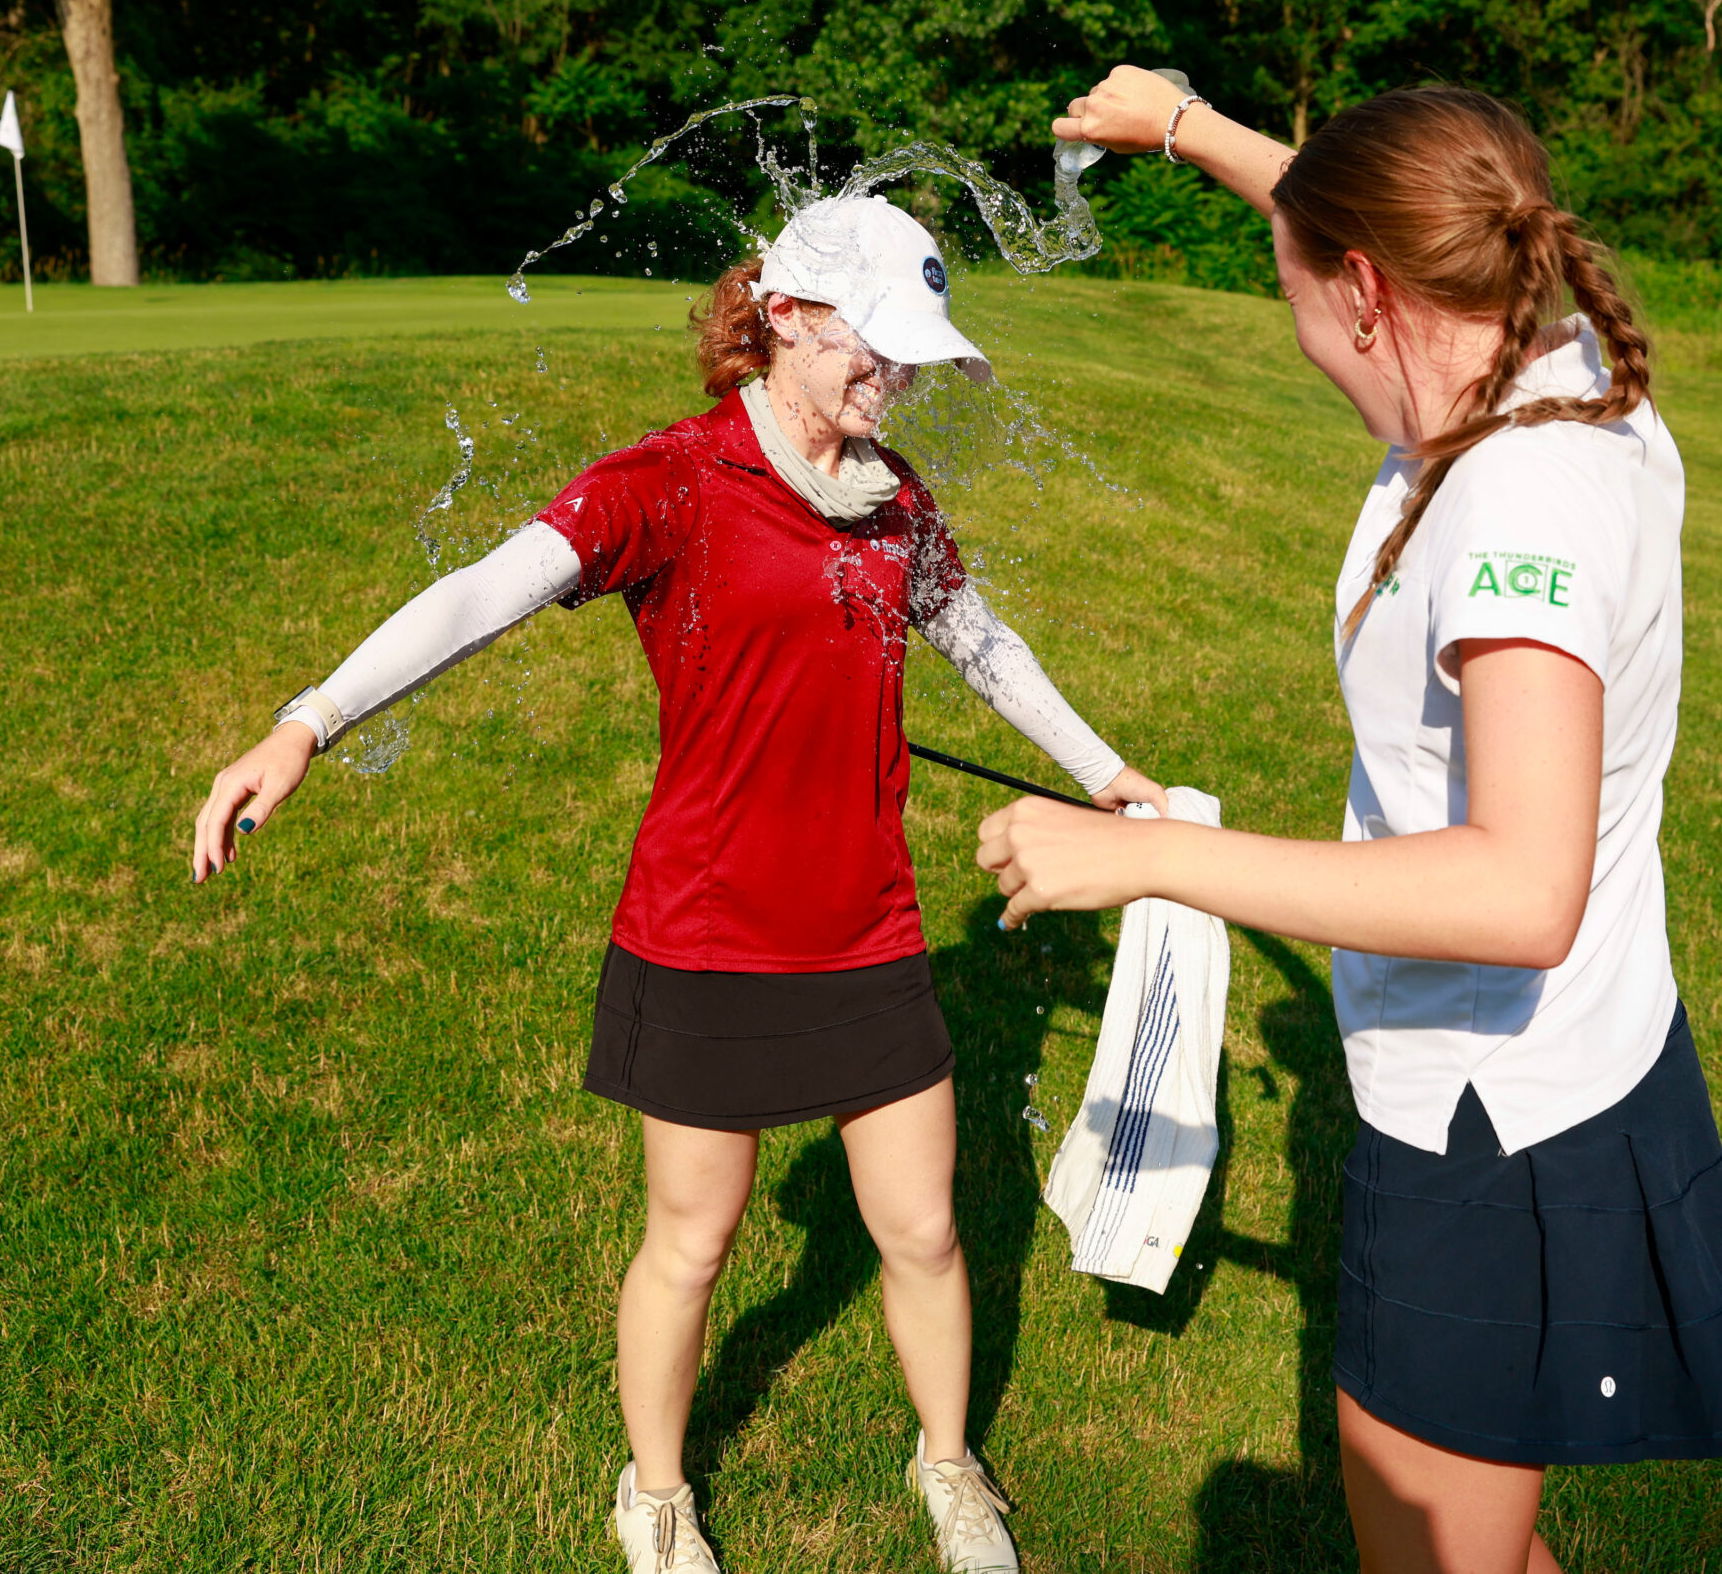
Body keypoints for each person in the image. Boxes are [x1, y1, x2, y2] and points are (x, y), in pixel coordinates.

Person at [189, 194, 1166, 1574]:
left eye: (909, 355)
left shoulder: (893, 500)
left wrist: (1105, 770)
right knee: (693, 1241)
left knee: (925, 1229)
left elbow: (978, 639)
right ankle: (653, 1494)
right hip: (709, 933)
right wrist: (309, 721)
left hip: (870, 924)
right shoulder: (674, 480)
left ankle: (948, 1464)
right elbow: (481, 592)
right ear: (788, 318)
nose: (894, 378)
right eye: (874, 345)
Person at [980, 71, 1722, 1573]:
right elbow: (1383, 223)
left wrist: (1151, 858)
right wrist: (1189, 131)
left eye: (1300, 300)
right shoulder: (1555, 357)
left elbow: (1521, 892)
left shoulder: (1519, 502)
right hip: (1565, 1063)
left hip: (1493, 1115)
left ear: (1366, 292)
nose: (1302, 340)